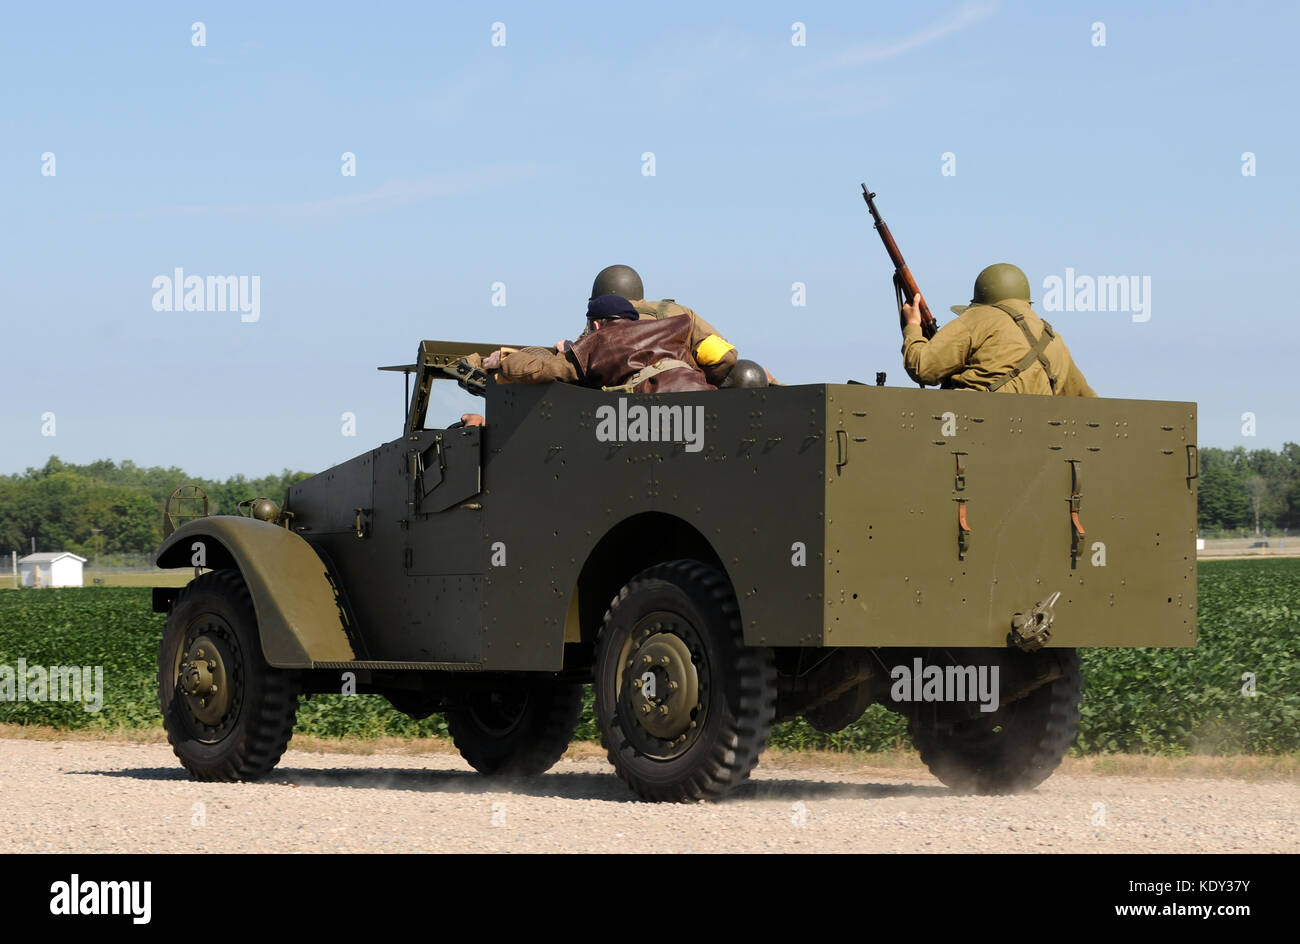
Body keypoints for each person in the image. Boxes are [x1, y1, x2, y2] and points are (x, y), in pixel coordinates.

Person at [900, 263, 1097, 396]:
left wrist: (913, 326)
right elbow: (1086, 402)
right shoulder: (1054, 340)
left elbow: (923, 367)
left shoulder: (978, 318)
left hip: (966, 434)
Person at [486, 294, 714, 393]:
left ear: (595, 325)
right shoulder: (671, 333)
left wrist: (504, 359)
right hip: (705, 402)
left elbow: (539, 370)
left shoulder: (599, 341)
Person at [572, 265, 746, 386]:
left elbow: (581, 367)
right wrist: (695, 381)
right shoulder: (680, 314)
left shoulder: (603, 320)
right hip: (688, 401)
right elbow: (725, 357)